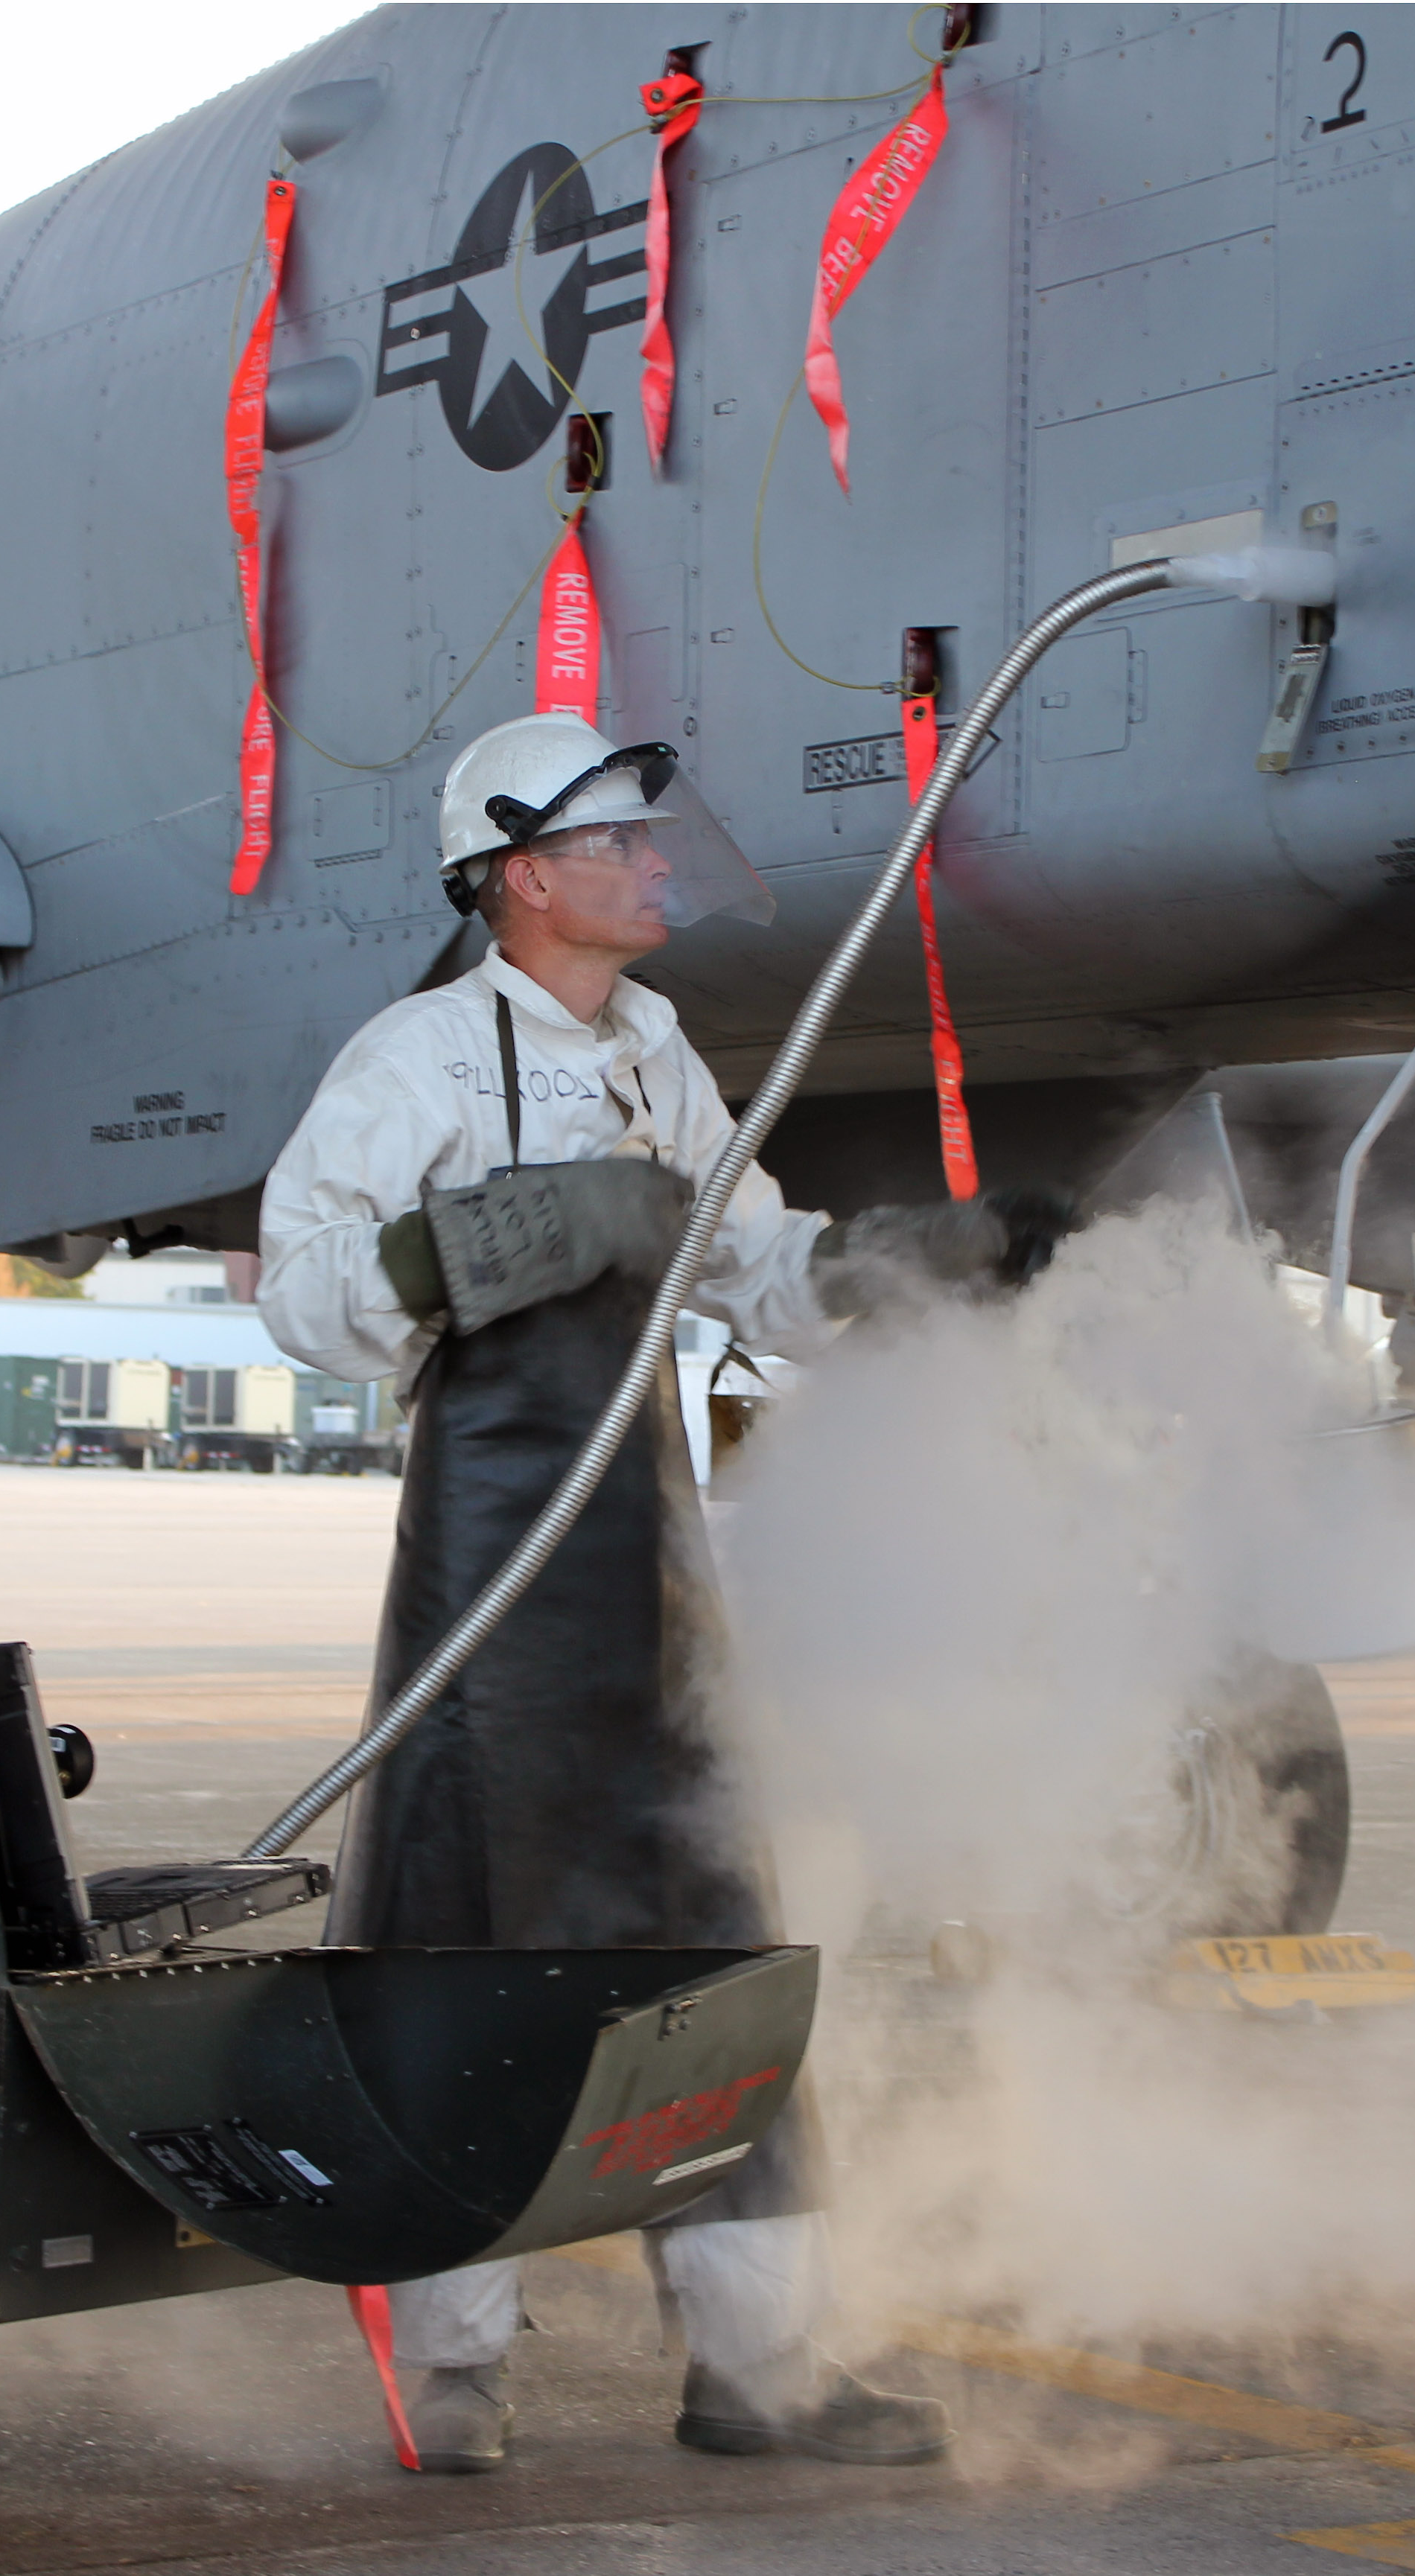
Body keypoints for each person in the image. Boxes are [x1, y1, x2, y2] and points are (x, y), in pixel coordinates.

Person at [256, 712, 1057, 2477]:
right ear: (526, 876)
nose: (654, 866)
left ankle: (760, 2369)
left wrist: (914, 1254)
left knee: (707, 1948)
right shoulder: (420, 1059)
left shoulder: (659, 1050)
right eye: (621, 845)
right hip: (492, 1557)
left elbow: (742, 1256)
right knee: (474, 1947)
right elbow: (305, 1296)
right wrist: (499, 1238)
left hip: (649, 1548)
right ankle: (455, 2368)